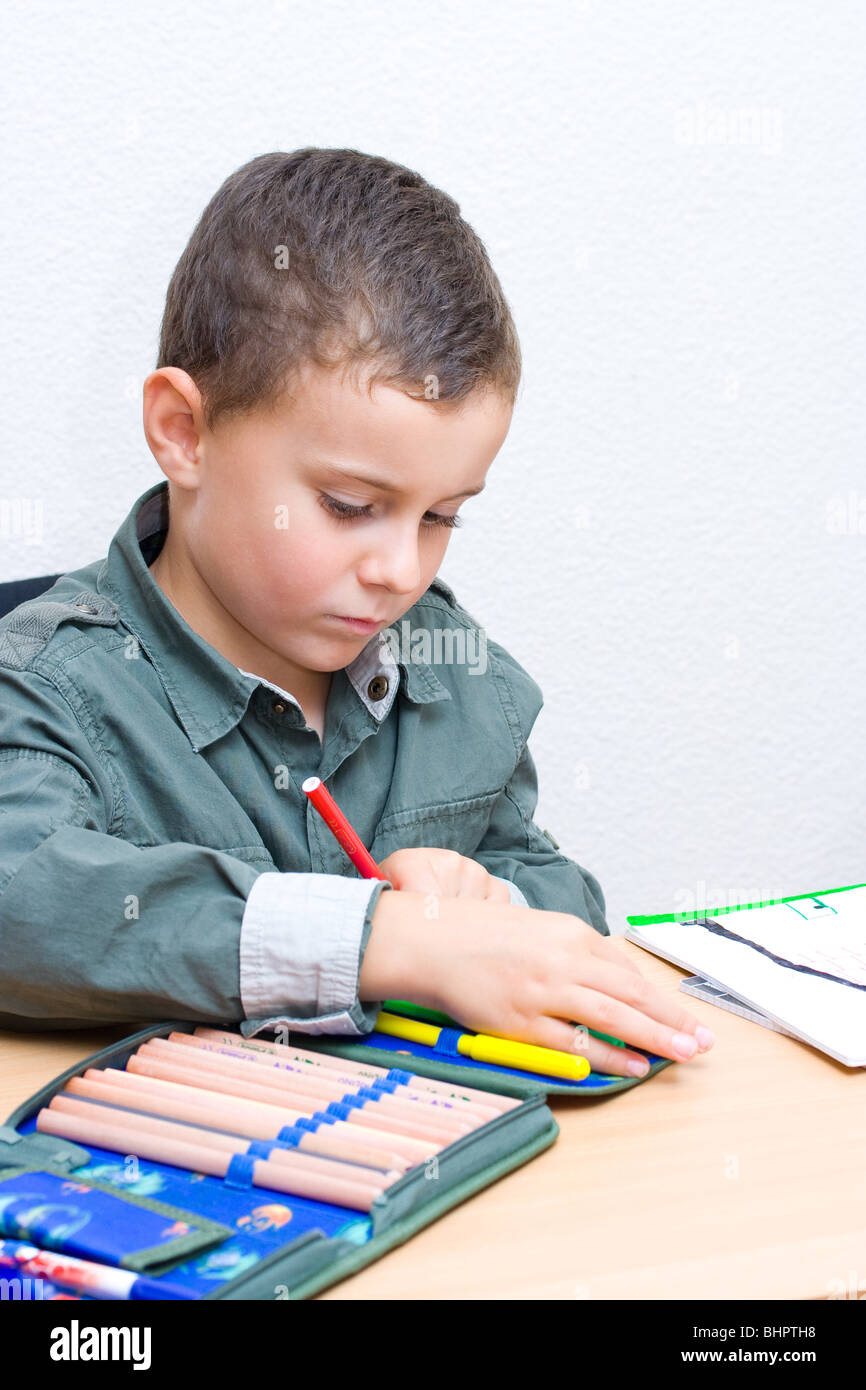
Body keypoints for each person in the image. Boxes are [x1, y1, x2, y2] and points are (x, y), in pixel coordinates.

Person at [0, 148, 712, 1075]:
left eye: (443, 516)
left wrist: (484, 904)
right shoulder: (46, 685)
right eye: (348, 506)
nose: (399, 570)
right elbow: (23, 895)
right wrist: (391, 939)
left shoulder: (448, 669)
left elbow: (557, 891)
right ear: (185, 432)